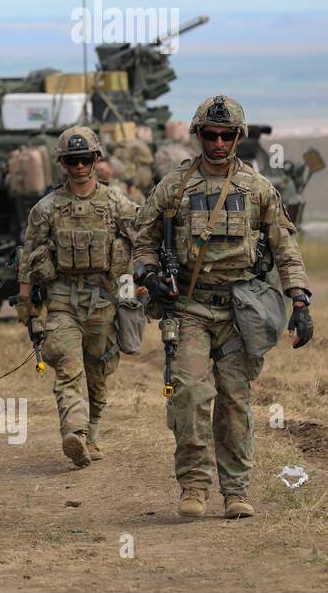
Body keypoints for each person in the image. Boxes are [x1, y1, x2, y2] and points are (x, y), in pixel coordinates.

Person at [132, 96, 312, 518]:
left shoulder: (257, 189)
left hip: (240, 312)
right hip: (190, 308)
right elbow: (142, 240)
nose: (217, 142)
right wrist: (149, 275)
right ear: (198, 136)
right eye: (209, 134)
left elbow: (286, 248)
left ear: (238, 137)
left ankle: (236, 490)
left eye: (226, 135)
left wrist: (300, 301)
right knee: (190, 397)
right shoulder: (174, 187)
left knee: (234, 403)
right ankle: (194, 486)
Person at [16, 127, 139, 468]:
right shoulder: (46, 208)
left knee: (97, 374)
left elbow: (143, 239)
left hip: (103, 300)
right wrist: (26, 302)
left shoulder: (116, 203)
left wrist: (142, 282)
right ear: (62, 164)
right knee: (69, 370)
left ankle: (93, 430)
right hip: (62, 299)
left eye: (85, 159)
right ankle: (76, 433)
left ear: (96, 160)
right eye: (73, 161)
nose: (80, 166)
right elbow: (28, 257)